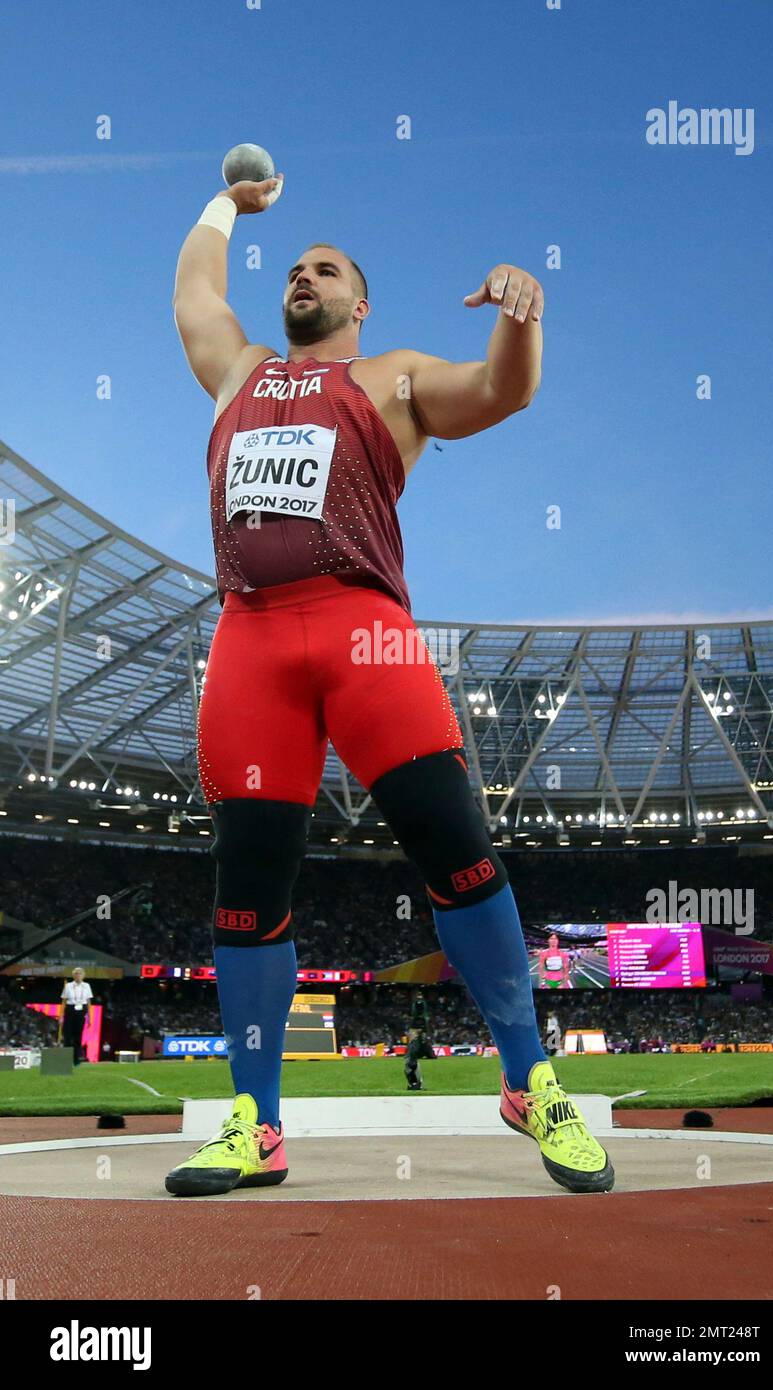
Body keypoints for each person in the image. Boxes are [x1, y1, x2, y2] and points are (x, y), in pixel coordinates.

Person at [164, 173, 614, 1198]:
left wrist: (519, 316)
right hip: (251, 639)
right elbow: (194, 291)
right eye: (293, 269)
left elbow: (504, 391)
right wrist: (227, 206)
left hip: (366, 629)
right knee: (250, 883)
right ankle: (255, 1123)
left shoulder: (393, 378)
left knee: (457, 849)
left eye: (324, 268)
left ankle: (529, 1080)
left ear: (357, 305)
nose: (302, 276)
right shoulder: (236, 371)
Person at [60, 968, 92, 1064]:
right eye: (76, 973)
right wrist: (61, 1015)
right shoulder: (68, 986)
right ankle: (66, 1058)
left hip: (81, 1009)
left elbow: (88, 1001)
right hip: (70, 1008)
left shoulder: (87, 986)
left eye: (80, 973)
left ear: (83, 975)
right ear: (73, 975)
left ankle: (76, 1059)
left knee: (78, 1035)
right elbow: (64, 1001)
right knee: (68, 1035)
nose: (78, 975)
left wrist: (90, 1017)